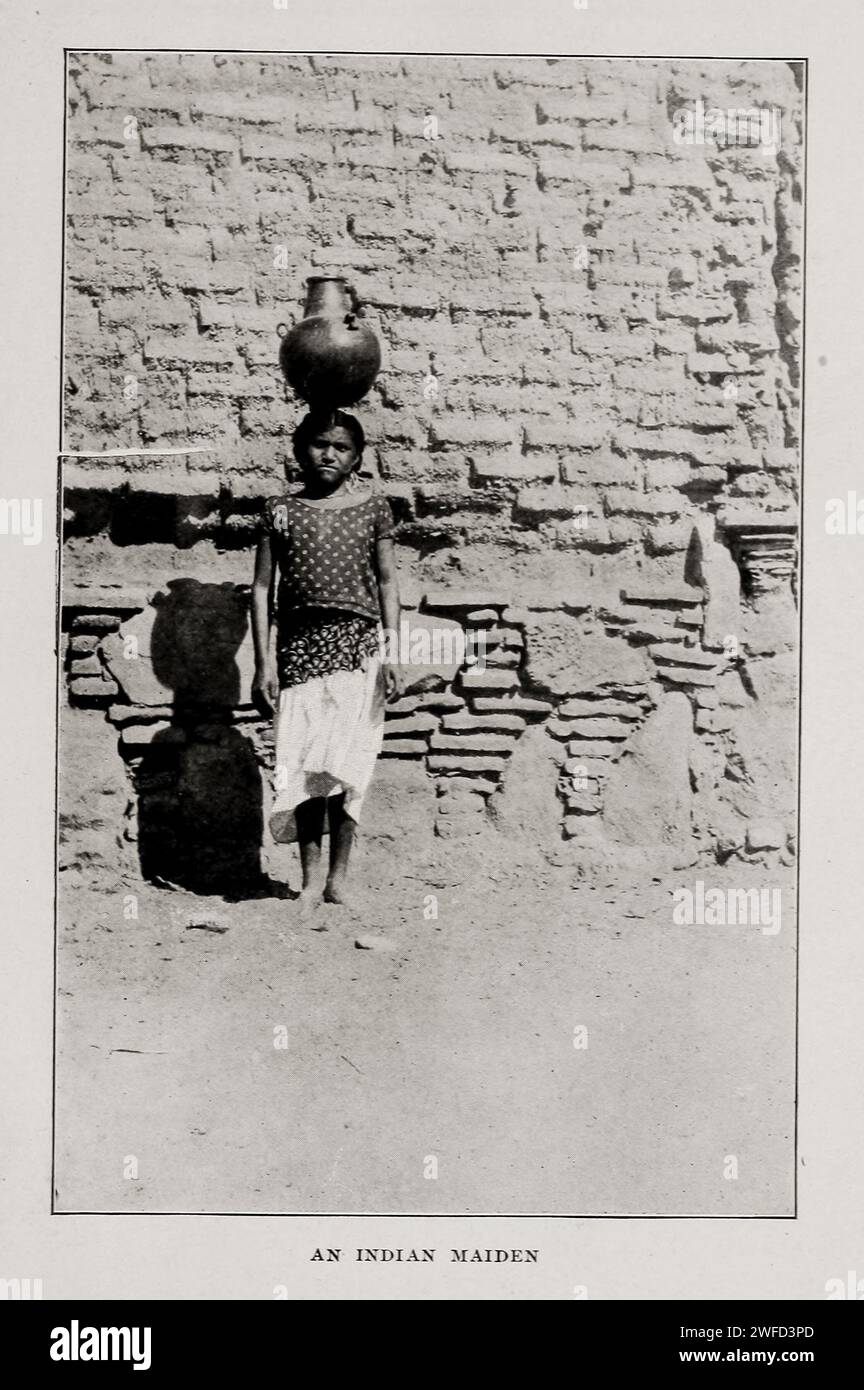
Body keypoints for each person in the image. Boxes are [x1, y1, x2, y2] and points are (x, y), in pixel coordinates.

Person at [251, 410, 405, 914]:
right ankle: (310, 881)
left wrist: (393, 652)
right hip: (299, 650)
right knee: (305, 765)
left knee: (349, 765)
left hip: (358, 649)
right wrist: (263, 664)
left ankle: (340, 879)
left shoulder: (374, 509)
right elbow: (260, 589)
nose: (328, 454)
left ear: (357, 457)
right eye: (318, 445)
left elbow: (386, 584)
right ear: (300, 452)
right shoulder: (279, 510)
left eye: (341, 447)